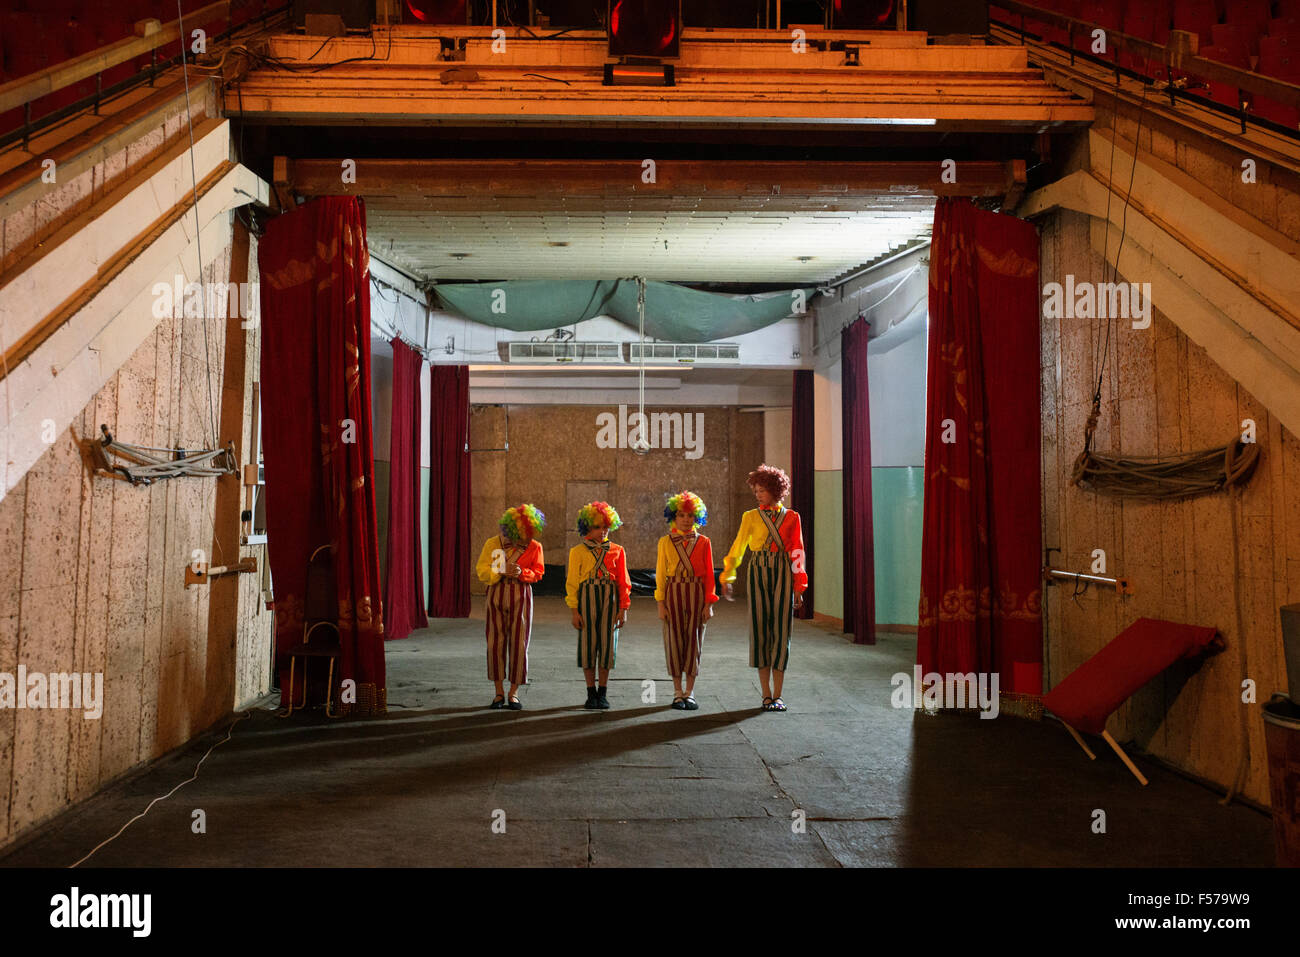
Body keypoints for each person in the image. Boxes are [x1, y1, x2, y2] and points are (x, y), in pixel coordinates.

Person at [721, 465, 807, 712]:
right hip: (758, 570)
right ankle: (765, 695)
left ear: (776, 491)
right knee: (759, 630)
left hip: (782, 571)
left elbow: (797, 552)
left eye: (763, 490)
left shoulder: (792, 517)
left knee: (781, 631)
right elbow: (738, 547)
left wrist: (799, 585)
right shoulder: (750, 517)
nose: (758, 494)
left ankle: (778, 695)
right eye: (756, 490)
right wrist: (729, 574)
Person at [475, 504, 545, 710]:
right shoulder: (493, 544)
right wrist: (500, 572)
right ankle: (498, 692)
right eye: (522, 533)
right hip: (496, 594)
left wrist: (522, 573)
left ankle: (513, 693)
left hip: (521, 596)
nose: (526, 537)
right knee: (495, 643)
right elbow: (482, 570)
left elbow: (538, 572)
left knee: (520, 643)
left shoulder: (535, 547)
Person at [655, 490, 718, 711]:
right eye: (681, 515)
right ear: (673, 516)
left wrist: (708, 604)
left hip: (696, 592)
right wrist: (661, 603)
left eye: (690, 516)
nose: (685, 520)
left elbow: (710, 575)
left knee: (694, 641)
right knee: (673, 641)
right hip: (673, 592)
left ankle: (690, 692)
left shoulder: (704, 542)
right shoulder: (665, 542)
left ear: (697, 518)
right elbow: (661, 572)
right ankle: (676, 691)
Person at [565, 502, 631, 710]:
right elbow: (572, 582)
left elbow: (623, 581)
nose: (602, 532)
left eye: (605, 527)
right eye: (596, 527)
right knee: (587, 646)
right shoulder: (577, 551)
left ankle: (603, 692)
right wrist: (574, 611)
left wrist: (623, 608)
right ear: (587, 528)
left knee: (607, 646)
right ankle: (590, 692)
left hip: (609, 601)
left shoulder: (618, 550)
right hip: (587, 599)